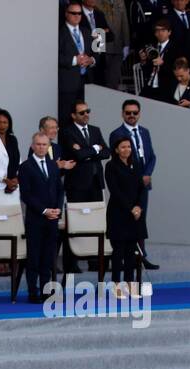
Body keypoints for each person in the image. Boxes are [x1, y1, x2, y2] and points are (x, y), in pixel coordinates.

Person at [110, 99, 159, 270]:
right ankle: (125, 257)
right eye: (128, 113)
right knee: (126, 221)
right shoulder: (116, 134)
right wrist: (138, 176)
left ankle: (141, 257)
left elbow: (152, 156)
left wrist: (146, 174)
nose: (132, 116)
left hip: (142, 186)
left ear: (139, 113)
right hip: (126, 188)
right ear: (123, 114)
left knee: (140, 220)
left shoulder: (145, 132)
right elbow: (118, 161)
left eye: (135, 113)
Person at [18, 132, 65, 303]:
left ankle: (47, 291)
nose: (41, 147)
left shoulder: (53, 166)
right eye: (38, 144)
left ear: (48, 147)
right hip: (36, 219)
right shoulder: (25, 167)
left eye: (44, 145)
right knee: (34, 257)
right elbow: (26, 195)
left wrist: (57, 209)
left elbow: (60, 190)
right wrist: (44, 210)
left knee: (48, 257)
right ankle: (33, 292)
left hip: (52, 219)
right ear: (32, 146)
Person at [103, 137, 147, 298]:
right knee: (118, 252)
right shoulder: (111, 166)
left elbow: (142, 189)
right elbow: (114, 190)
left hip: (135, 215)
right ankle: (117, 287)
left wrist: (138, 207)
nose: (126, 150)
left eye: (128, 146)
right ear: (116, 149)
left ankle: (131, 286)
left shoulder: (136, 165)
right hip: (119, 214)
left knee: (131, 252)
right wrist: (130, 208)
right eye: (123, 147)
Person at [60, 100, 109, 202]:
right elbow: (78, 155)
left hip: (96, 182)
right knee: (78, 216)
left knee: (96, 215)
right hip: (77, 184)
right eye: (82, 113)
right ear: (73, 115)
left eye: (87, 111)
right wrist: (96, 148)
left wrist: (86, 153)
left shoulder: (95, 130)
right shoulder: (67, 132)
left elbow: (106, 153)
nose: (86, 114)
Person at [59, 5, 98, 127]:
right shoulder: (59, 32)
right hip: (67, 83)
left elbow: (97, 52)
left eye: (79, 14)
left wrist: (91, 60)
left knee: (84, 117)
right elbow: (53, 56)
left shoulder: (86, 31)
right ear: (66, 14)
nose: (77, 16)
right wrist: (75, 60)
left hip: (86, 80)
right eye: (73, 13)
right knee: (66, 116)